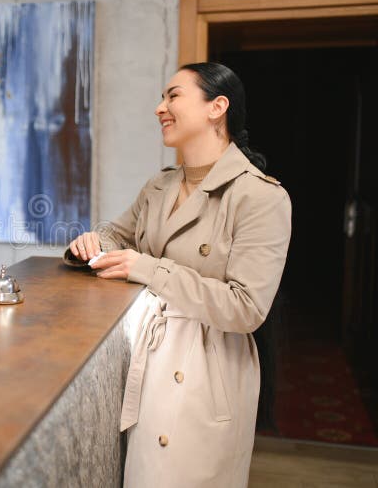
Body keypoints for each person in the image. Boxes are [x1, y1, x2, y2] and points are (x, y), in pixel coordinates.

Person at [68, 62, 291, 487]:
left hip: (209, 371)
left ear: (217, 107)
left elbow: (246, 308)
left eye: (173, 96)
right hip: (148, 355)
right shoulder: (161, 185)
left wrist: (148, 268)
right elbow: (115, 233)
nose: (159, 108)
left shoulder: (260, 196)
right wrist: (91, 243)